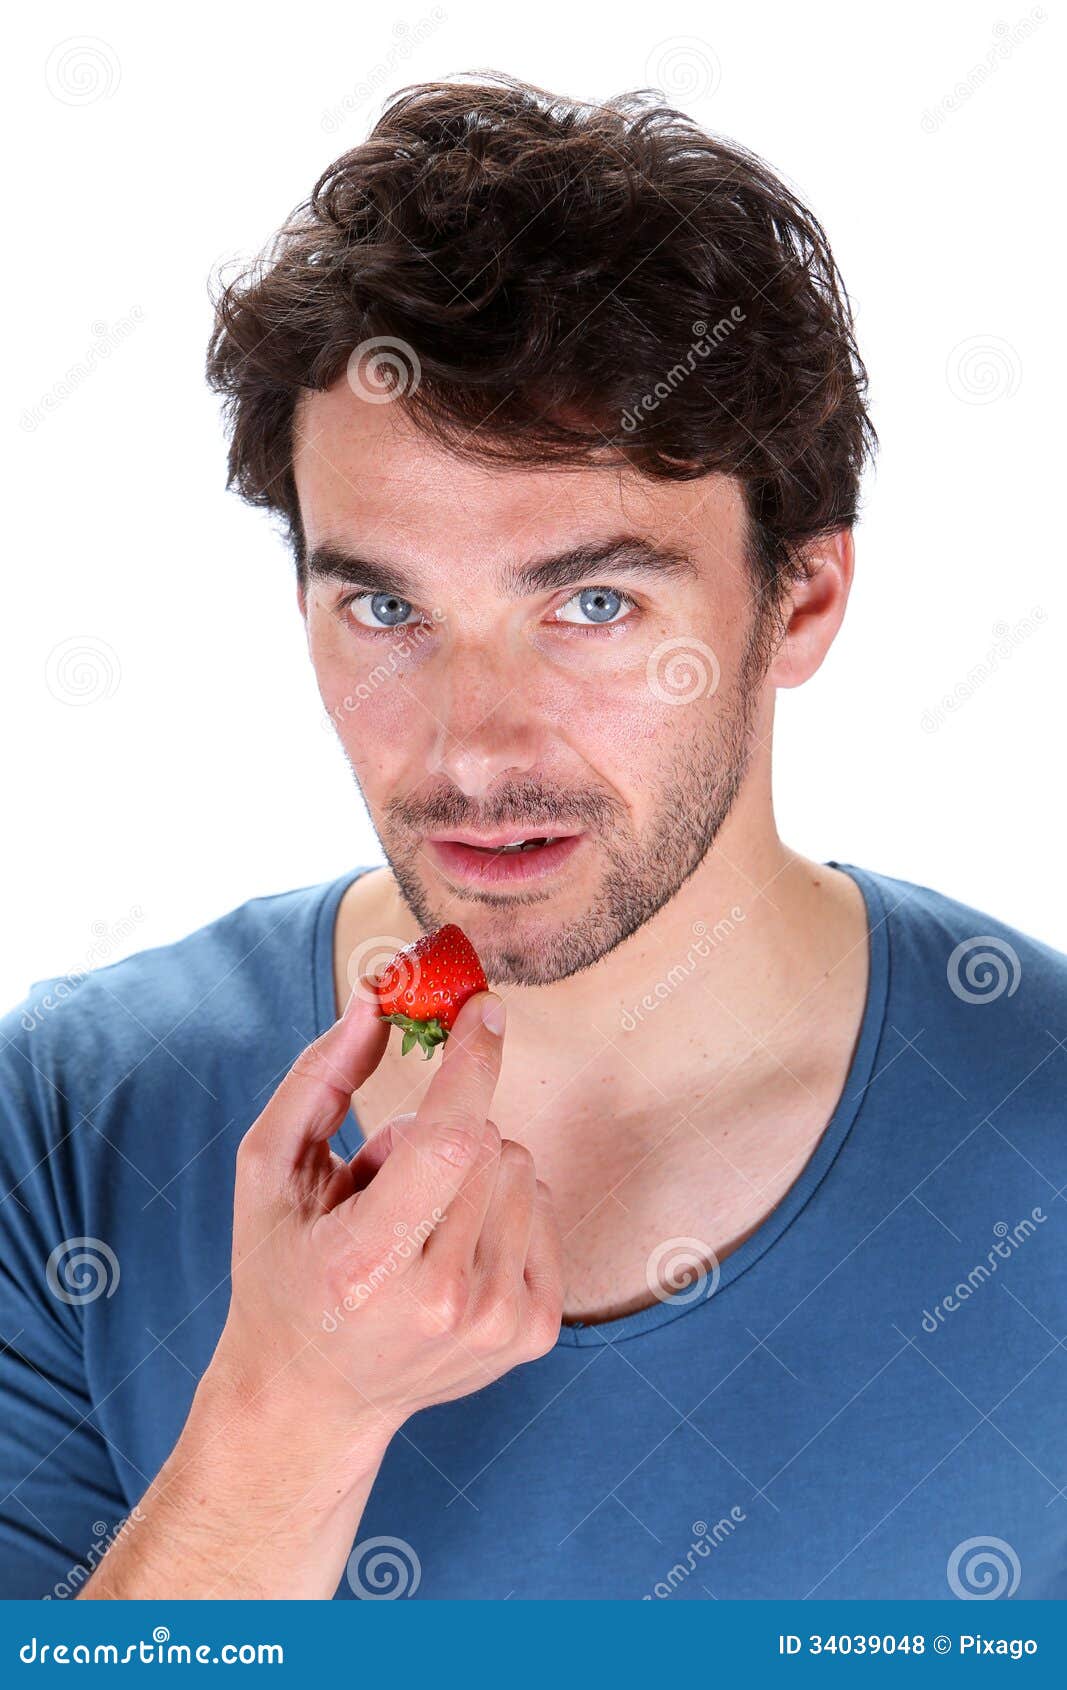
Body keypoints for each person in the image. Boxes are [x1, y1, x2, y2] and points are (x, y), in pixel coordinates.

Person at [2, 73, 1063, 1603]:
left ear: (803, 599)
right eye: (386, 607)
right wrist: (290, 1415)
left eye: (592, 603)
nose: (472, 746)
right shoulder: (67, 1123)